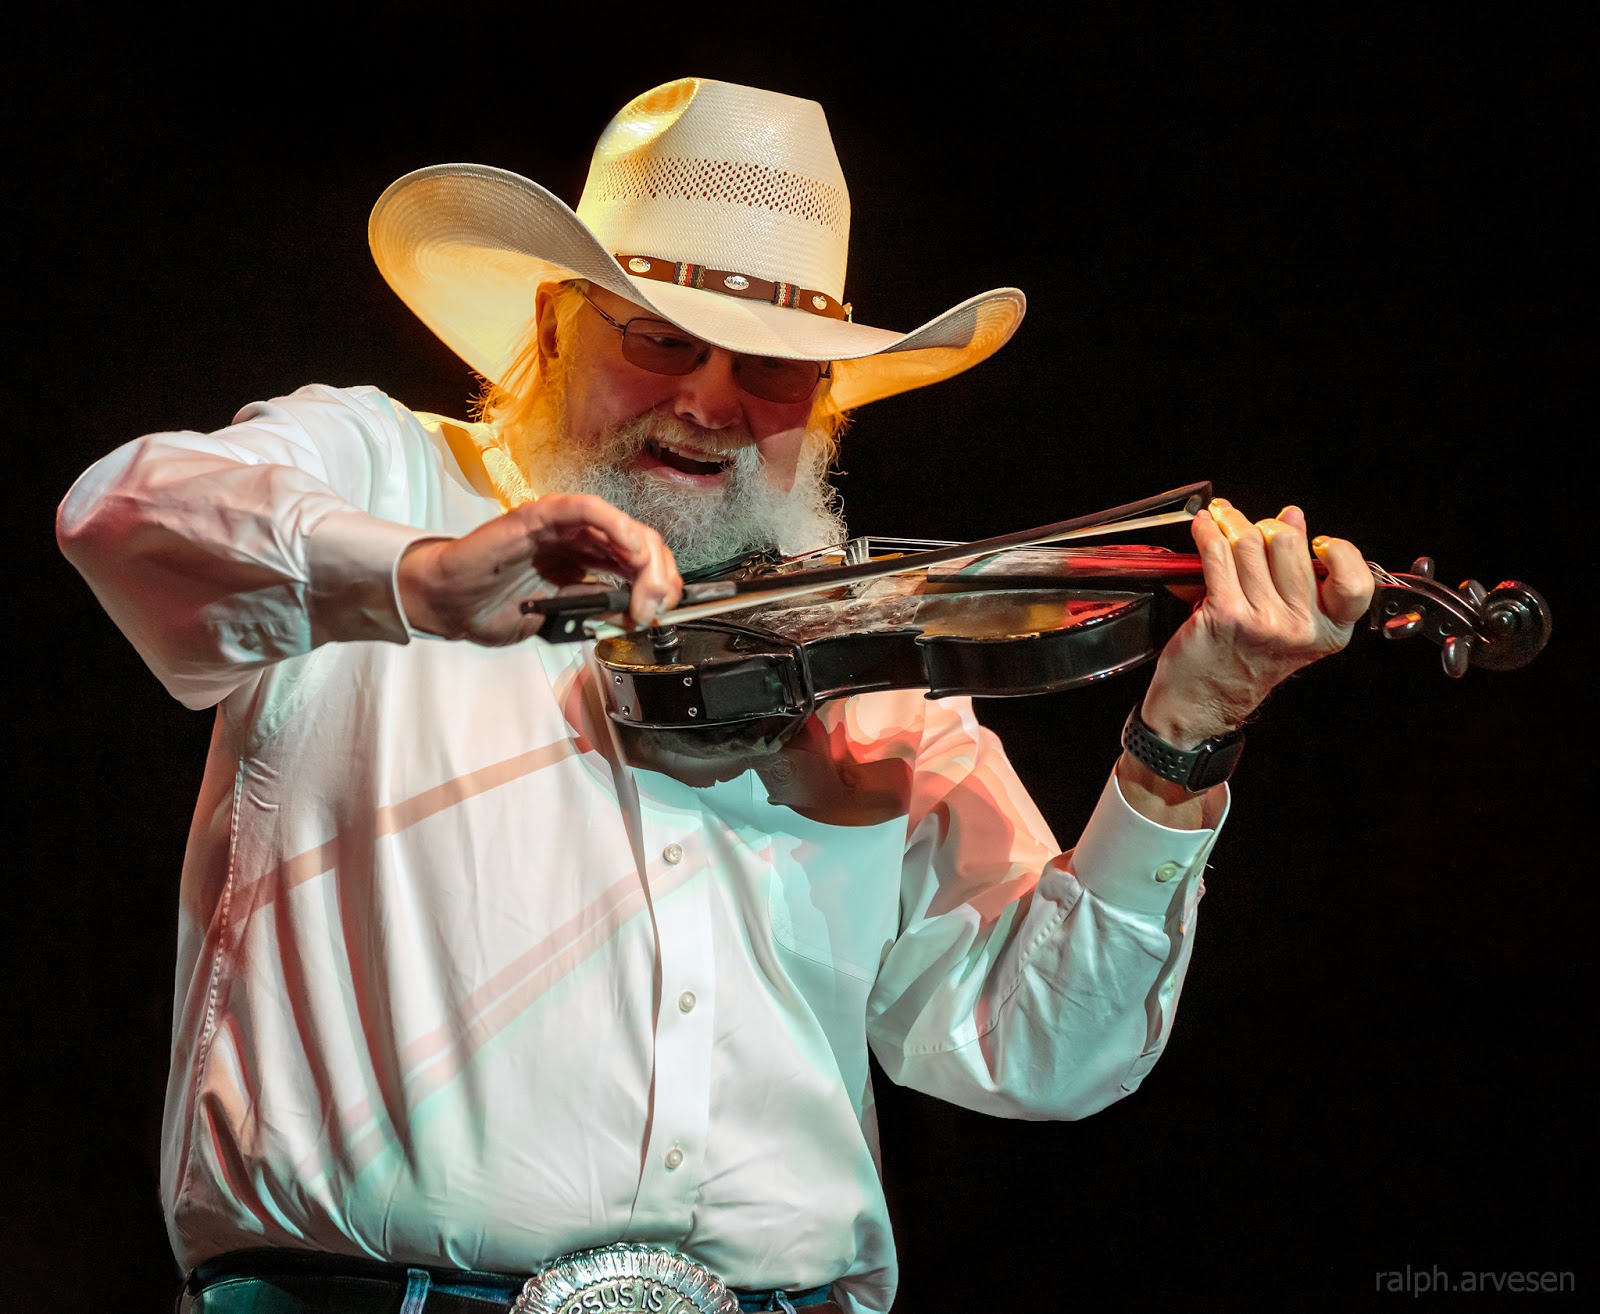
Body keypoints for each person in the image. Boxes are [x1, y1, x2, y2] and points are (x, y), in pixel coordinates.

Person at [56, 77, 1373, 1314]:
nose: (707, 400)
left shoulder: (868, 660)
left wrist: (1183, 738)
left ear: (831, 406)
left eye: (771, 367)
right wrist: (419, 580)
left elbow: (1038, 1044)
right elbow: (124, 515)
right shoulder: (386, 474)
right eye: (661, 336)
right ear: (555, 322)